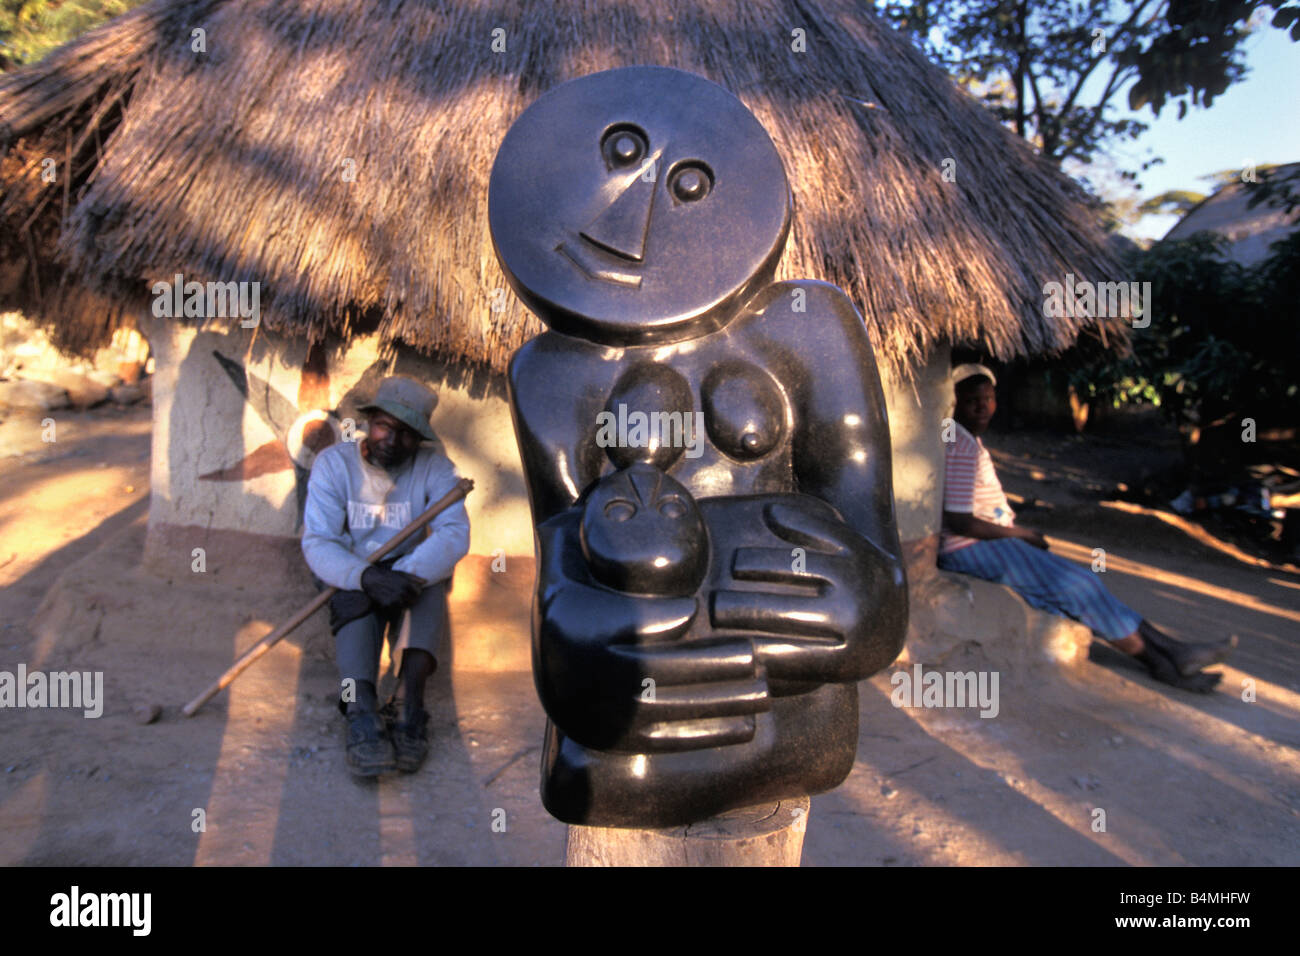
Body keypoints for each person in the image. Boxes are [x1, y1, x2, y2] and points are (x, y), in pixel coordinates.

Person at [937, 364, 1234, 693]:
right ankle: (1163, 660)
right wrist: (1023, 534)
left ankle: (1171, 653)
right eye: (971, 401)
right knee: (1078, 587)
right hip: (968, 548)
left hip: (982, 542)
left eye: (989, 399)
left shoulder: (966, 441)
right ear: (954, 404)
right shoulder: (960, 446)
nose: (983, 407)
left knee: (1084, 584)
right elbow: (960, 521)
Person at [302, 376, 470, 776]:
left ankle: (411, 708)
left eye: (407, 434)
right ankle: (360, 712)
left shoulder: (434, 466)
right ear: (369, 421)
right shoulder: (333, 465)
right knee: (352, 609)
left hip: (409, 571)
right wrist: (365, 579)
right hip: (353, 571)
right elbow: (319, 542)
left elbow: (454, 534)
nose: (392, 441)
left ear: (419, 439)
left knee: (430, 595)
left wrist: (400, 576)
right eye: (384, 427)